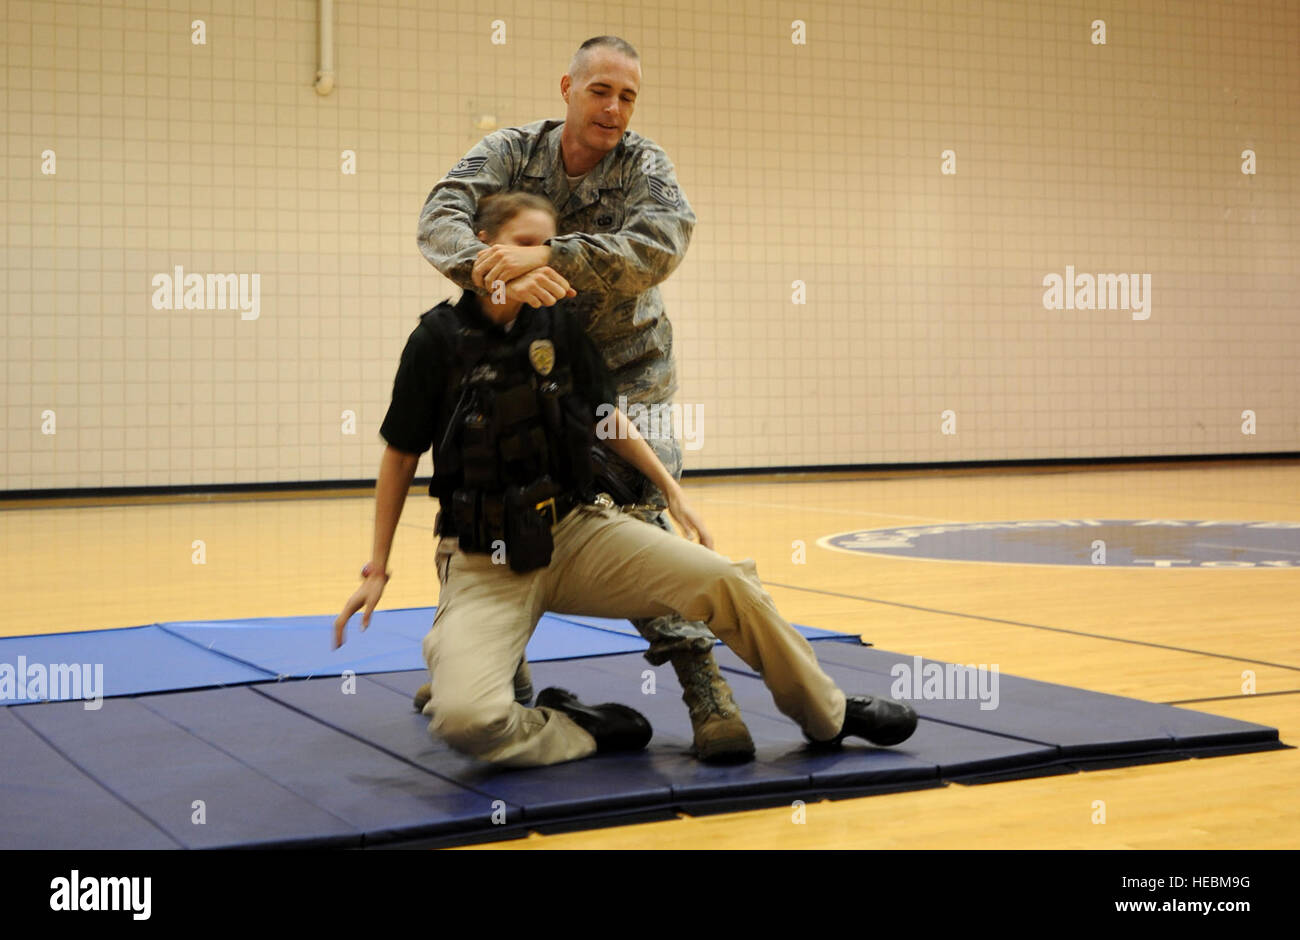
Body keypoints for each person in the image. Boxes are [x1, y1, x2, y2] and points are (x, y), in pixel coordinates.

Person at [334, 193, 918, 769]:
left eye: (547, 248)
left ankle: (829, 716)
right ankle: (578, 726)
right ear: (484, 247)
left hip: (577, 533)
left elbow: (603, 415)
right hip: (486, 559)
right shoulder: (436, 340)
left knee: (727, 582)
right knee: (467, 719)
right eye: (525, 244)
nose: (539, 259)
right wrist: (377, 567)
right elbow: (401, 454)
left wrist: (671, 488)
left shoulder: (558, 326)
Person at [415, 35, 754, 763]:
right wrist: (491, 271)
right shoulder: (510, 153)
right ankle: (482, 662)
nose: (614, 108)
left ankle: (705, 689)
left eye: (628, 96)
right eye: (600, 91)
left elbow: (661, 243)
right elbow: (439, 215)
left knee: (638, 510)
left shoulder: (643, 165)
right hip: (527, 366)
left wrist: (549, 255)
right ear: (566, 87)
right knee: (482, 489)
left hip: (630, 371)